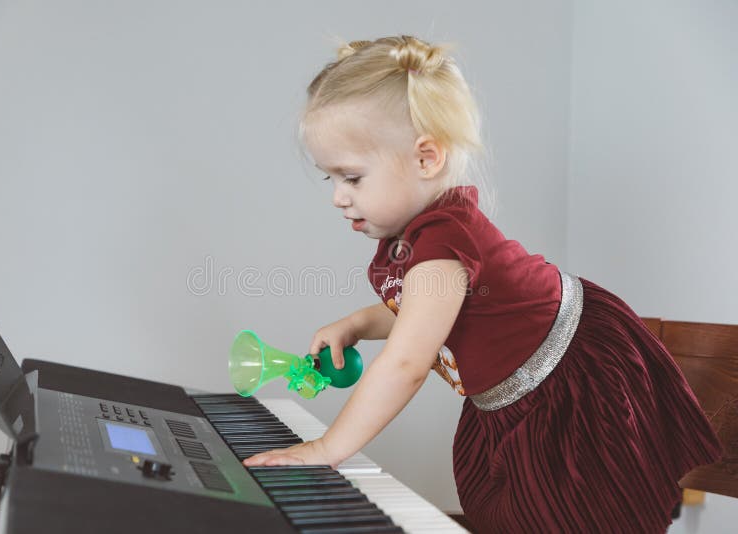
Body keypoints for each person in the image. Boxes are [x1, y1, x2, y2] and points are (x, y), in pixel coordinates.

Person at [242, 35, 722, 532]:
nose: (339, 198)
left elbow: (406, 363)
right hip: (514, 396)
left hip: (569, 381)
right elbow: (429, 307)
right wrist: (359, 322)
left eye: (352, 178)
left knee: (568, 514)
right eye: (331, 181)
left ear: (426, 159)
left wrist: (327, 448)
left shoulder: (443, 242)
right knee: (502, 509)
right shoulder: (420, 238)